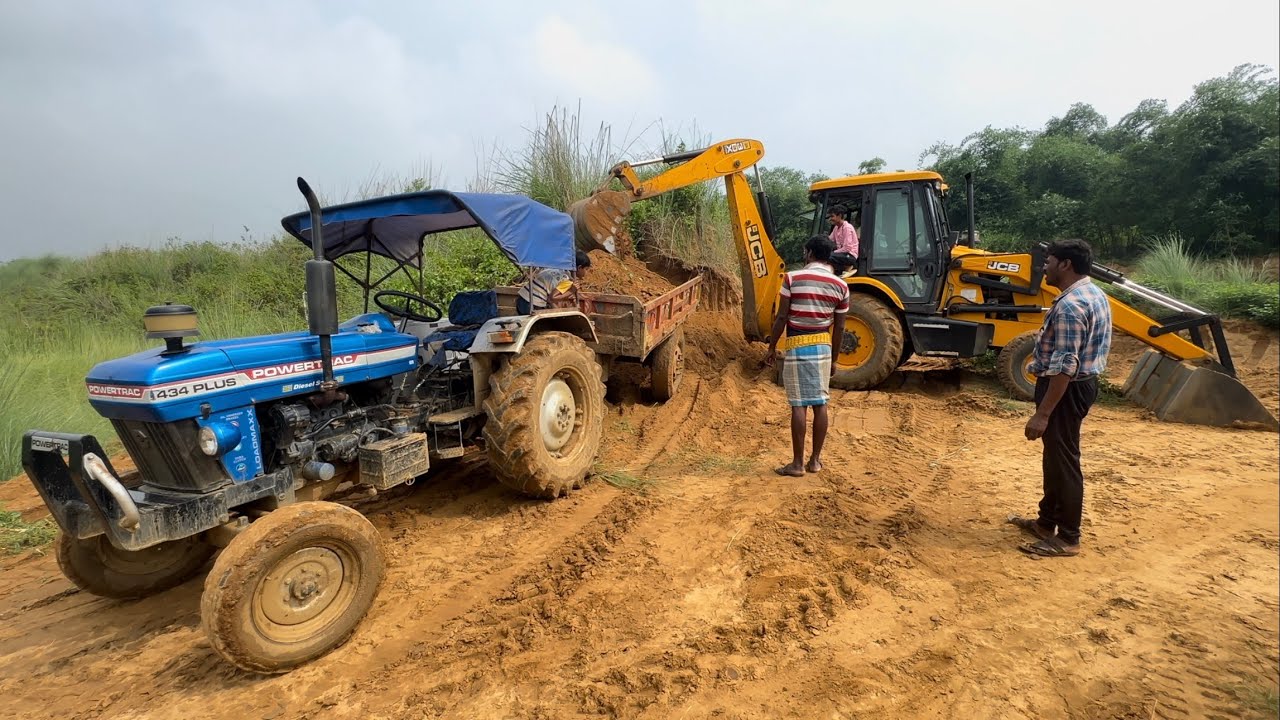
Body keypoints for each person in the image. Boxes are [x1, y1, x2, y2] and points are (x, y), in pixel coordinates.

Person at [1008, 238, 1112, 558]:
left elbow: (1066, 364)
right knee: (1055, 457)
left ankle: (1068, 537)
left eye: (1049, 261)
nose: (1044, 267)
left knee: (1064, 462)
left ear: (1065, 265)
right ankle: (1046, 522)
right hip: (1075, 387)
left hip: (1064, 389)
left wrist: (1043, 413)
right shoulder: (1093, 294)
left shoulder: (1070, 306)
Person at [760, 235, 849, 477]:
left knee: (799, 405)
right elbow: (839, 327)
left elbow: (781, 317)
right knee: (821, 403)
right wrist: (835, 359)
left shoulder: (792, 278)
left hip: (798, 344)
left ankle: (797, 464)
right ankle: (815, 462)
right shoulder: (841, 286)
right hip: (823, 346)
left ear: (809, 253)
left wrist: (771, 347)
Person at [517, 250, 591, 314]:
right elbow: (553, 297)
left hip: (521, 300)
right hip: (531, 304)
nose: (587, 273)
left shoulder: (555, 269)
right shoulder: (566, 279)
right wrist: (571, 291)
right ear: (579, 268)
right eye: (586, 269)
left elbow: (551, 299)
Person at [827, 204, 859, 277]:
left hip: (850, 256)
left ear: (839, 216)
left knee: (828, 256)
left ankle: (849, 266)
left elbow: (847, 248)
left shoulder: (847, 228)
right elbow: (829, 240)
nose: (830, 219)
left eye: (832, 216)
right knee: (824, 255)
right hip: (842, 255)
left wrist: (833, 252)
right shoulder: (836, 228)